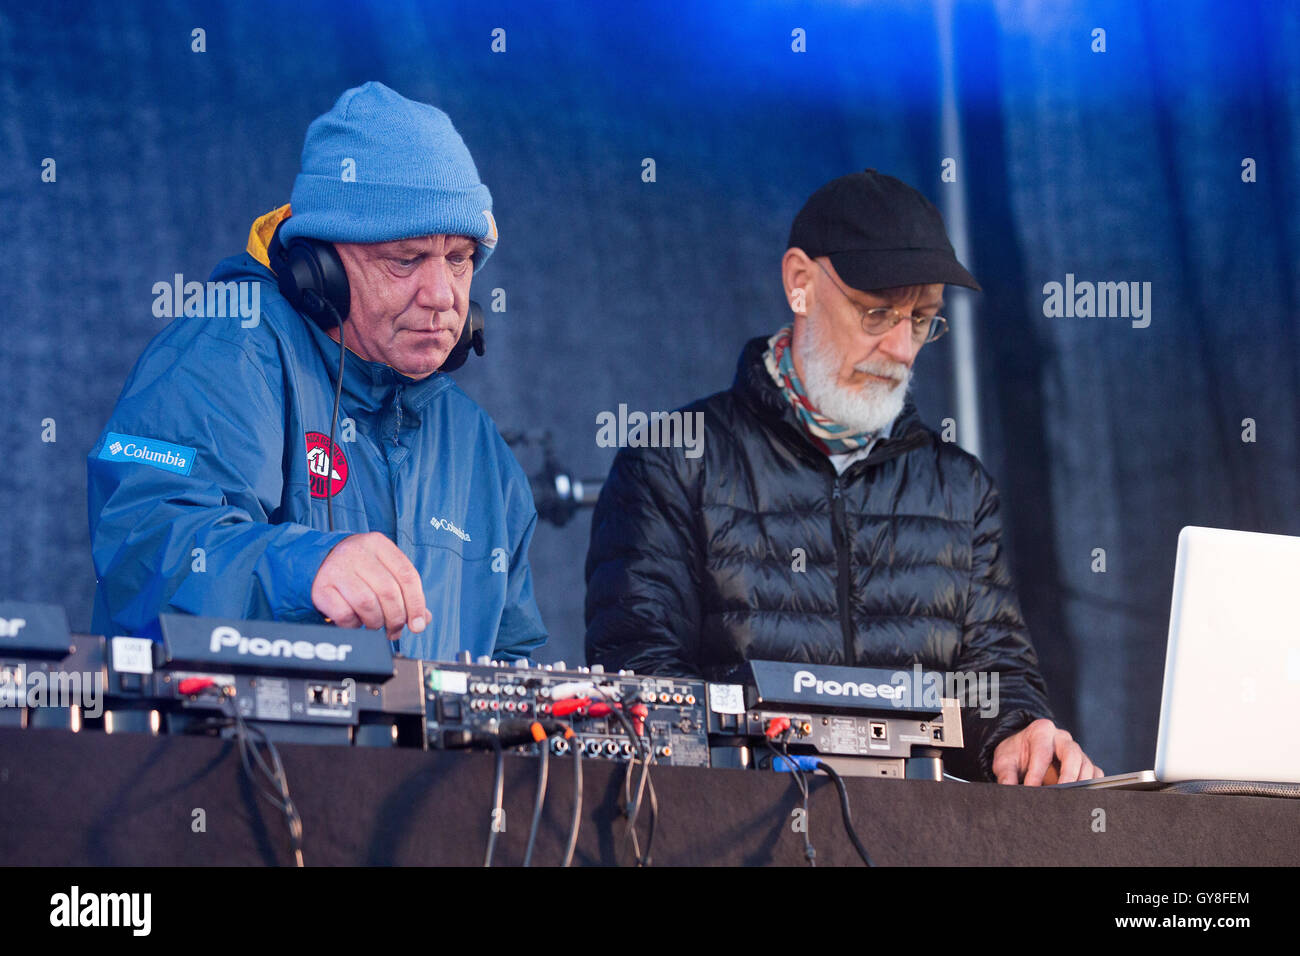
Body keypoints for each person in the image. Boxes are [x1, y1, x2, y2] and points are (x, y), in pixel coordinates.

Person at [585, 169, 1101, 784]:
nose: (903, 350)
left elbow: (994, 682)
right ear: (801, 283)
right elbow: (643, 682)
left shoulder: (961, 490)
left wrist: (1019, 734)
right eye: (878, 313)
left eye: (922, 320)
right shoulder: (672, 461)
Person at [87, 82, 546, 662]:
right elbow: (145, 546)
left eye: (458, 260)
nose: (442, 295)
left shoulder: (478, 447)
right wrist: (307, 568)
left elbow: (514, 659)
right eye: (407, 259)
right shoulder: (229, 351)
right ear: (319, 266)